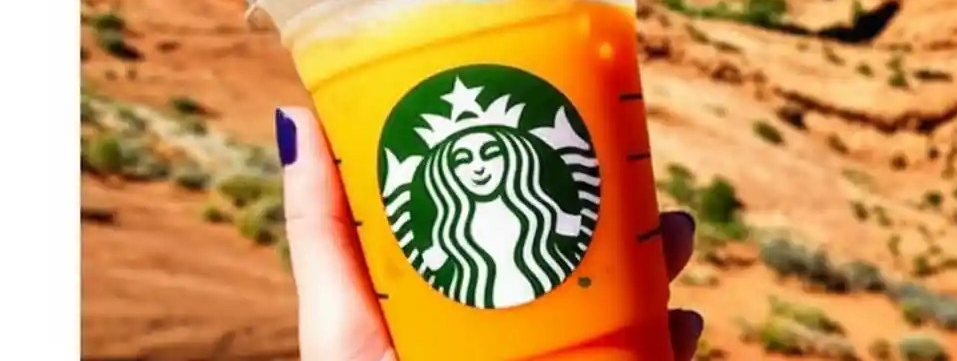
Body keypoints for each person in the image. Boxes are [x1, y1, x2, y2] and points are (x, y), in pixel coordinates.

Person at [277, 106, 706, 361]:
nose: (479, 167)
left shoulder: (547, 226)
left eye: (491, 152)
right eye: (462, 158)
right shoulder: (452, 251)